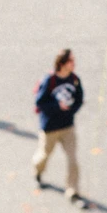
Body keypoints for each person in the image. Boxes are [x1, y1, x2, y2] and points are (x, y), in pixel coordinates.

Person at [32, 48, 84, 202]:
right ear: (62, 63)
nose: (74, 63)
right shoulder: (50, 80)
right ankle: (38, 171)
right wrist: (57, 106)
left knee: (72, 160)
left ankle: (73, 190)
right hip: (50, 128)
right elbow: (40, 102)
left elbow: (79, 99)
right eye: (71, 61)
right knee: (44, 155)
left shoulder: (74, 79)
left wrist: (70, 110)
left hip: (68, 127)